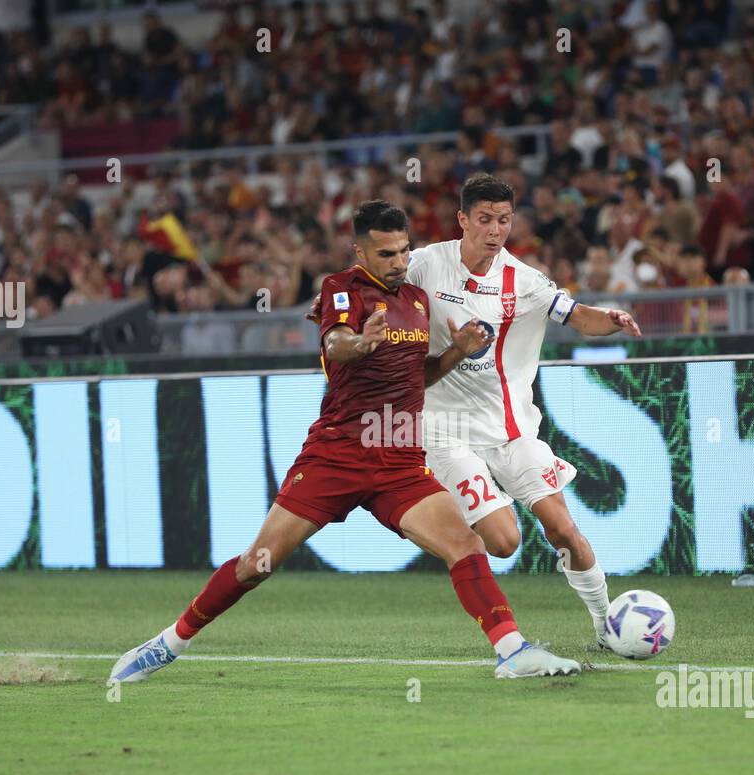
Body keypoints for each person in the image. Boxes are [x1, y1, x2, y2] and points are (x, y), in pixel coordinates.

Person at [110, 201, 584, 684]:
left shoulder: (418, 301)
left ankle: (512, 651)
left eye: (403, 251)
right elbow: (337, 343)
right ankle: (167, 643)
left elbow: (419, 377)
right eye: (385, 254)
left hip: (398, 459)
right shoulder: (341, 289)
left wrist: (457, 352)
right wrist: (362, 342)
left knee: (465, 543)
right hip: (338, 454)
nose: (398, 263)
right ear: (359, 252)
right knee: (258, 564)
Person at [405, 173, 641, 647]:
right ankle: (435, 513)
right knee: (504, 542)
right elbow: (377, 282)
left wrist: (610, 320)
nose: (495, 230)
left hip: (512, 432)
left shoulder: (525, 281)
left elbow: (577, 316)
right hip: (447, 432)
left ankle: (605, 624)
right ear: (463, 220)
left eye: (505, 220)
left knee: (563, 529)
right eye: (485, 220)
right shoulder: (426, 265)